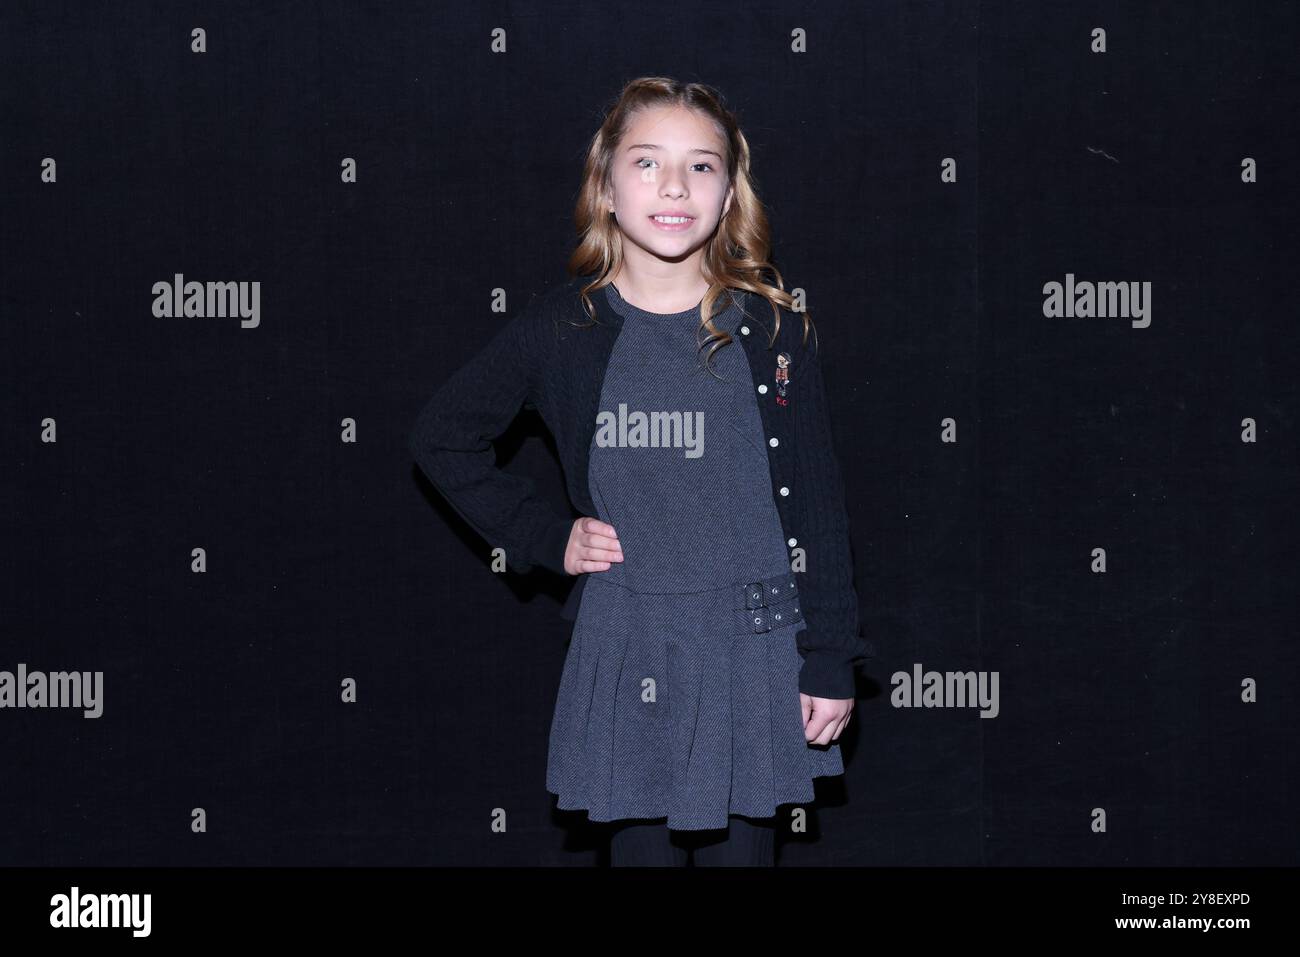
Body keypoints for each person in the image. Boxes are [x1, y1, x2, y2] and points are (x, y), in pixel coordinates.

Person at [409, 77, 873, 866]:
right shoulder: (564, 328)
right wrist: (545, 536)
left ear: (729, 194)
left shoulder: (773, 329)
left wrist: (829, 653)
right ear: (606, 186)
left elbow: (818, 507)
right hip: (631, 644)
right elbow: (442, 436)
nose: (674, 186)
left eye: (702, 166)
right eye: (648, 161)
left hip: (754, 647)